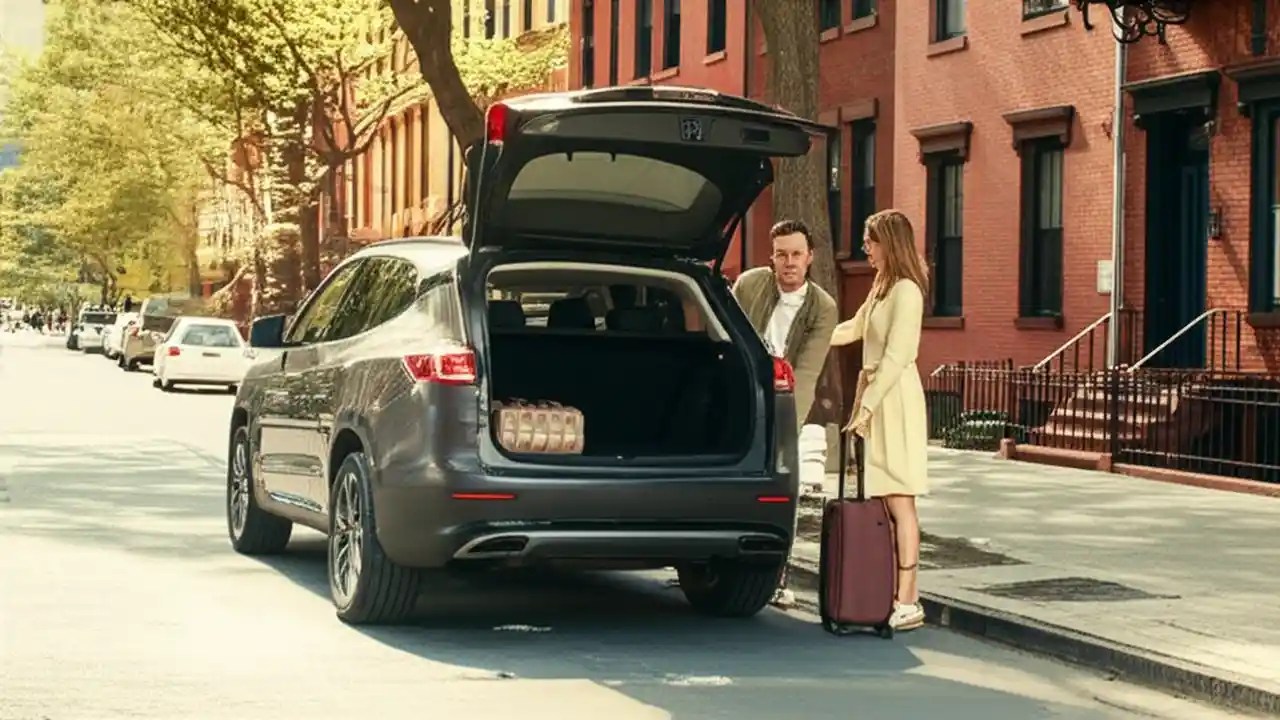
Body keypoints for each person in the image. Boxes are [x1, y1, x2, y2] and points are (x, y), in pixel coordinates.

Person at [829, 209, 930, 631]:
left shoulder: (908, 290)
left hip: (895, 399)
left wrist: (867, 408)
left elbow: (897, 356)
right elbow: (853, 328)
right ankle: (892, 592)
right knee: (883, 499)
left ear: (891, 242)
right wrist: (810, 340)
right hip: (875, 395)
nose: (866, 249)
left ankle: (909, 598)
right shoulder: (882, 288)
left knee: (900, 498)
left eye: (871, 241)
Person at [731, 219, 838, 608]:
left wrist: (784, 427)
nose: (789, 262)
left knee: (781, 493)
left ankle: (777, 578)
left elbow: (806, 373)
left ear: (810, 258)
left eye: (796, 254)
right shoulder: (749, 285)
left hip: (783, 402)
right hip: (739, 396)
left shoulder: (822, 308)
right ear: (771, 257)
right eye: (781, 254)